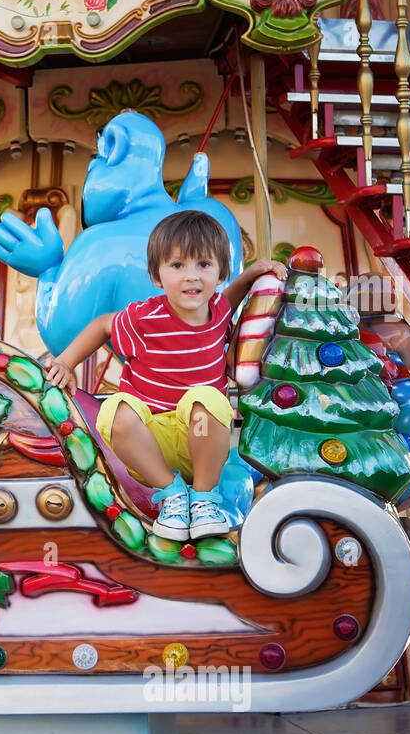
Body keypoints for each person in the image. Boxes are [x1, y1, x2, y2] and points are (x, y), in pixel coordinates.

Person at [44, 211, 286, 541]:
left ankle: (203, 500)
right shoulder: (146, 317)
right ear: (157, 276)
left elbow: (229, 301)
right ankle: (171, 493)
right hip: (149, 445)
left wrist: (251, 275)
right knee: (117, 410)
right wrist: (66, 362)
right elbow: (102, 324)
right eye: (177, 266)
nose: (192, 277)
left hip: (198, 441)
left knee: (208, 400)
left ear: (221, 273)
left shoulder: (217, 313)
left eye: (204, 264)